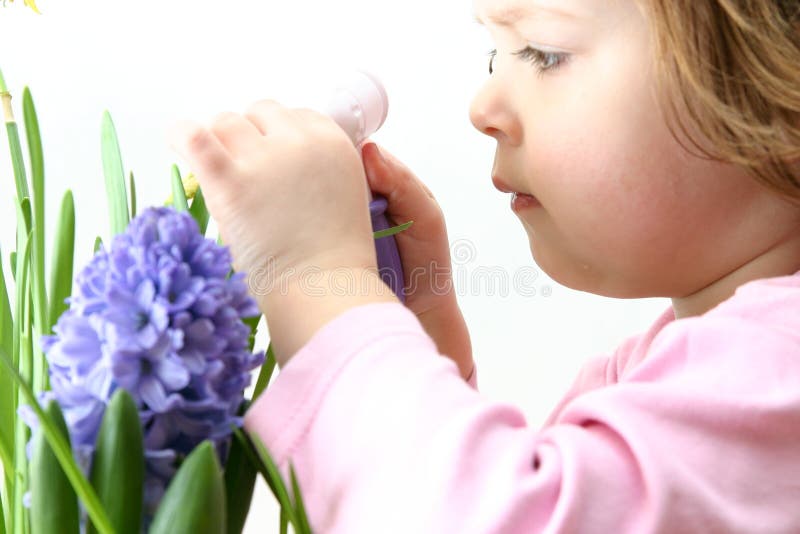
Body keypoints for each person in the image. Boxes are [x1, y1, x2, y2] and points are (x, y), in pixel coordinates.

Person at [166, 0, 800, 531]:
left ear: (779, 83)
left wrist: (313, 277)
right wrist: (420, 344)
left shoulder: (778, 368)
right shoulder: (691, 372)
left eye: (545, 54)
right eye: (496, 58)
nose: (482, 105)